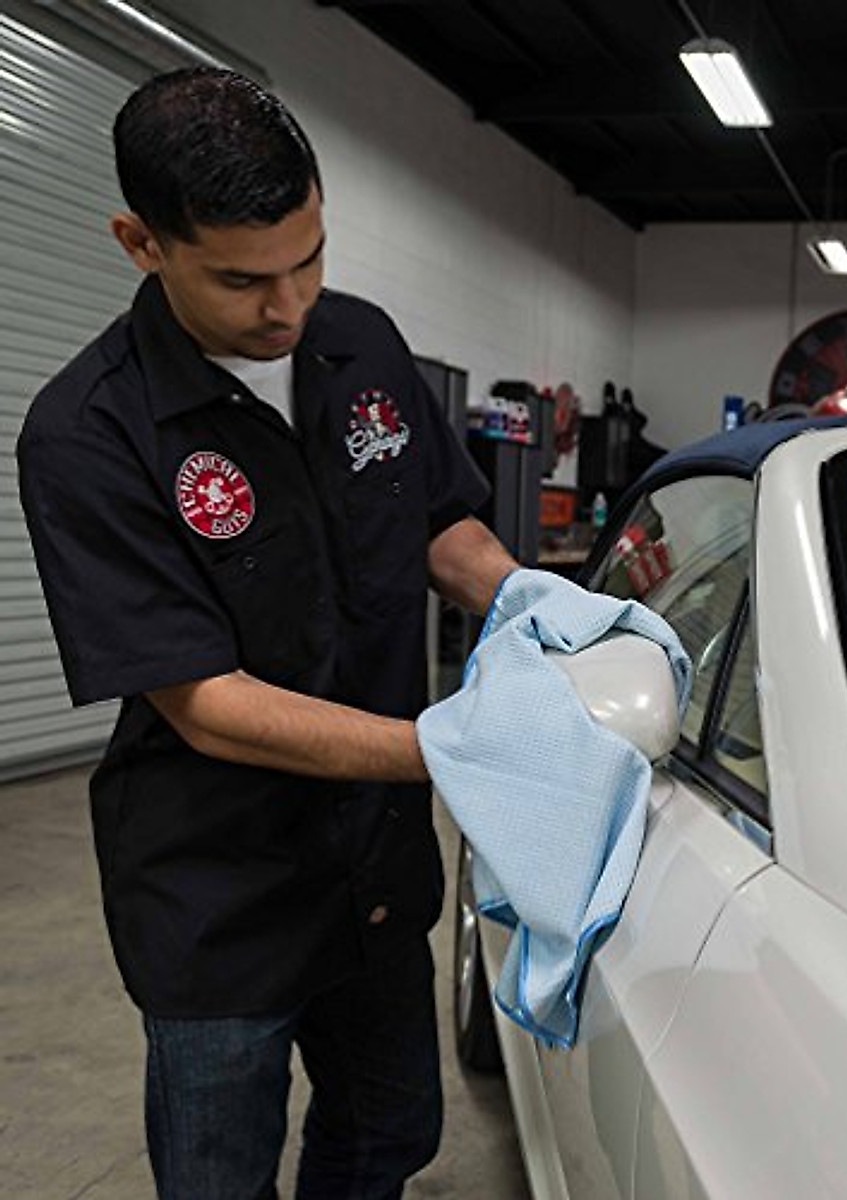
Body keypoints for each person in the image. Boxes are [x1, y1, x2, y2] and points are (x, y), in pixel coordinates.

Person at [17, 66, 518, 1199]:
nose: (289, 307)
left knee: (390, 1136)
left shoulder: (364, 344)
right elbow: (206, 704)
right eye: (243, 279)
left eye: (311, 258)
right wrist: (448, 749)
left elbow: (438, 519)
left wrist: (528, 596)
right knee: (220, 1179)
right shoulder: (89, 434)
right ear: (142, 243)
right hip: (220, 896)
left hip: (374, 869)